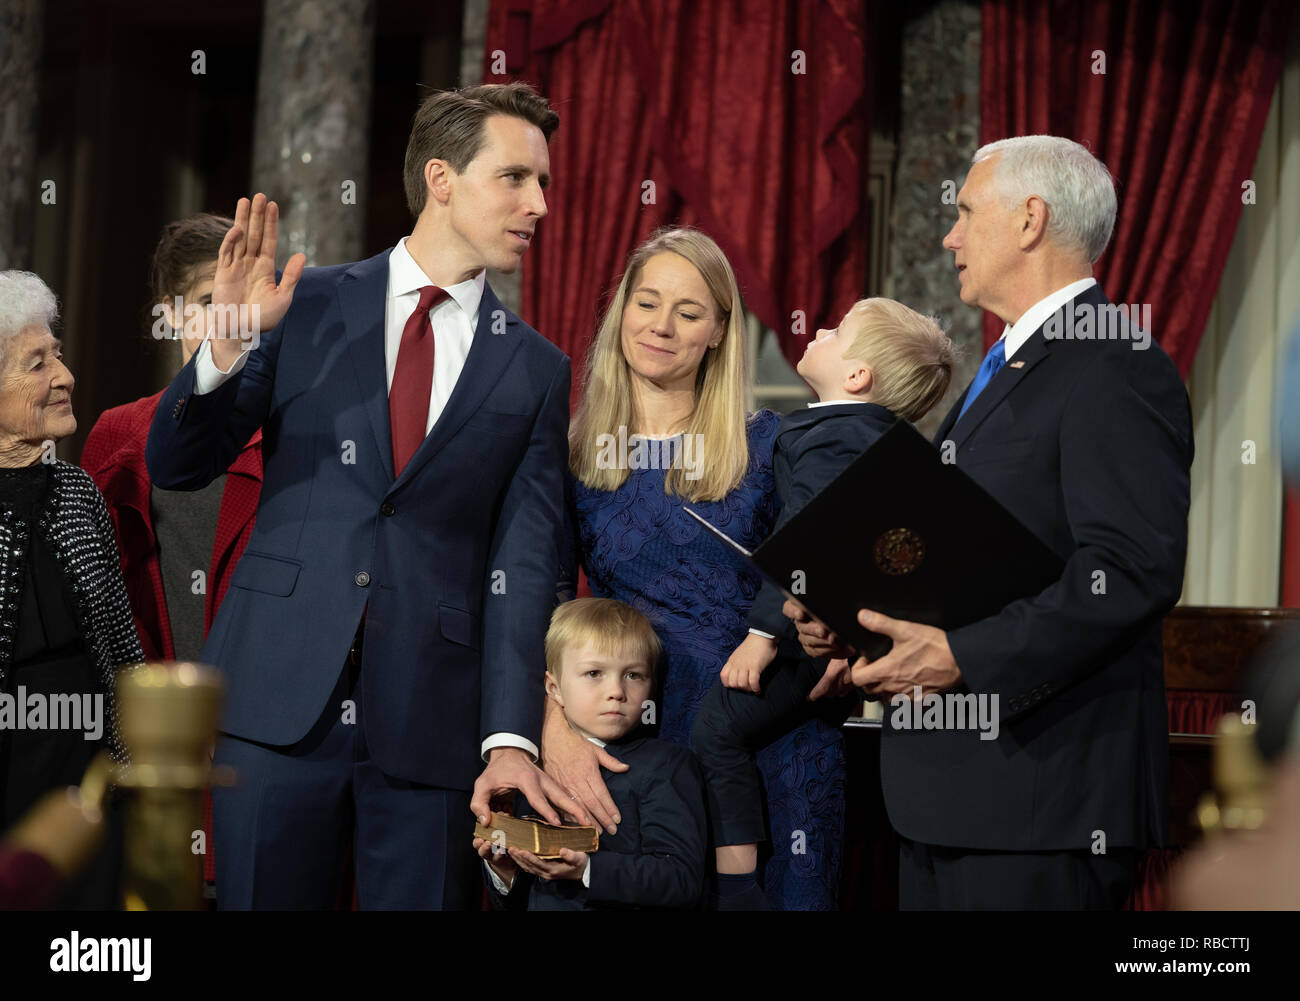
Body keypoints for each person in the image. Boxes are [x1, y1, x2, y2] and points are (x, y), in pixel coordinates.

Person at [145, 83, 582, 909]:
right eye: (516, 178)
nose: (540, 204)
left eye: (545, 183)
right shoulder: (305, 303)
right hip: (275, 702)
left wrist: (509, 738)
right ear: (442, 178)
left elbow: (526, 567)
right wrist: (224, 348)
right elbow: (178, 463)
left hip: (433, 728)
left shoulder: (535, 368)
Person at [790, 135, 1193, 910]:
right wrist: (861, 628)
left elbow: (1132, 569)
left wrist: (960, 656)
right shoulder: (1012, 362)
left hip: (1043, 804)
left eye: (967, 212)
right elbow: (970, 562)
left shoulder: (1114, 360)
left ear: (1030, 219)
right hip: (955, 799)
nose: (950, 236)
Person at [553, 227, 845, 909]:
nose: (661, 326)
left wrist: (839, 633)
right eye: (647, 303)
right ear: (621, 311)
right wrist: (552, 719)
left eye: (688, 313)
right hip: (637, 748)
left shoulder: (769, 444)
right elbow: (546, 606)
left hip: (773, 737)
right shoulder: (571, 457)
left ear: (718, 331)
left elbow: (832, 561)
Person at [691, 297, 953, 909]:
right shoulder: (879, 438)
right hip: (838, 638)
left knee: (716, 731)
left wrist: (761, 636)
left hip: (805, 635)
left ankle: (737, 887)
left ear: (857, 375)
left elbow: (803, 535)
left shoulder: (836, 436)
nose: (822, 328)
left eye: (838, 331)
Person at [81, 215, 259, 896]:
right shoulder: (120, 434)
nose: (231, 318)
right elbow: (98, 603)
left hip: (259, 740)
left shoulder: (289, 435)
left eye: (245, 301)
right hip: (151, 741)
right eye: (213, 301)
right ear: (172, 315)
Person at [0, 270, 144, 907]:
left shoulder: (78, 492)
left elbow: (121, 645)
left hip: (87, 766)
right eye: (37, 364)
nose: (65, 376)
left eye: (56, 355)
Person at [474, 597, 707, 909]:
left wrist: (587, 870)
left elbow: (681, 880)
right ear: (553, 688)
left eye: (634, 675)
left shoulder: (668, 764)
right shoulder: (532, 770)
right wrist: (505, 870)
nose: (616, 691)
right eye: (595, 673)